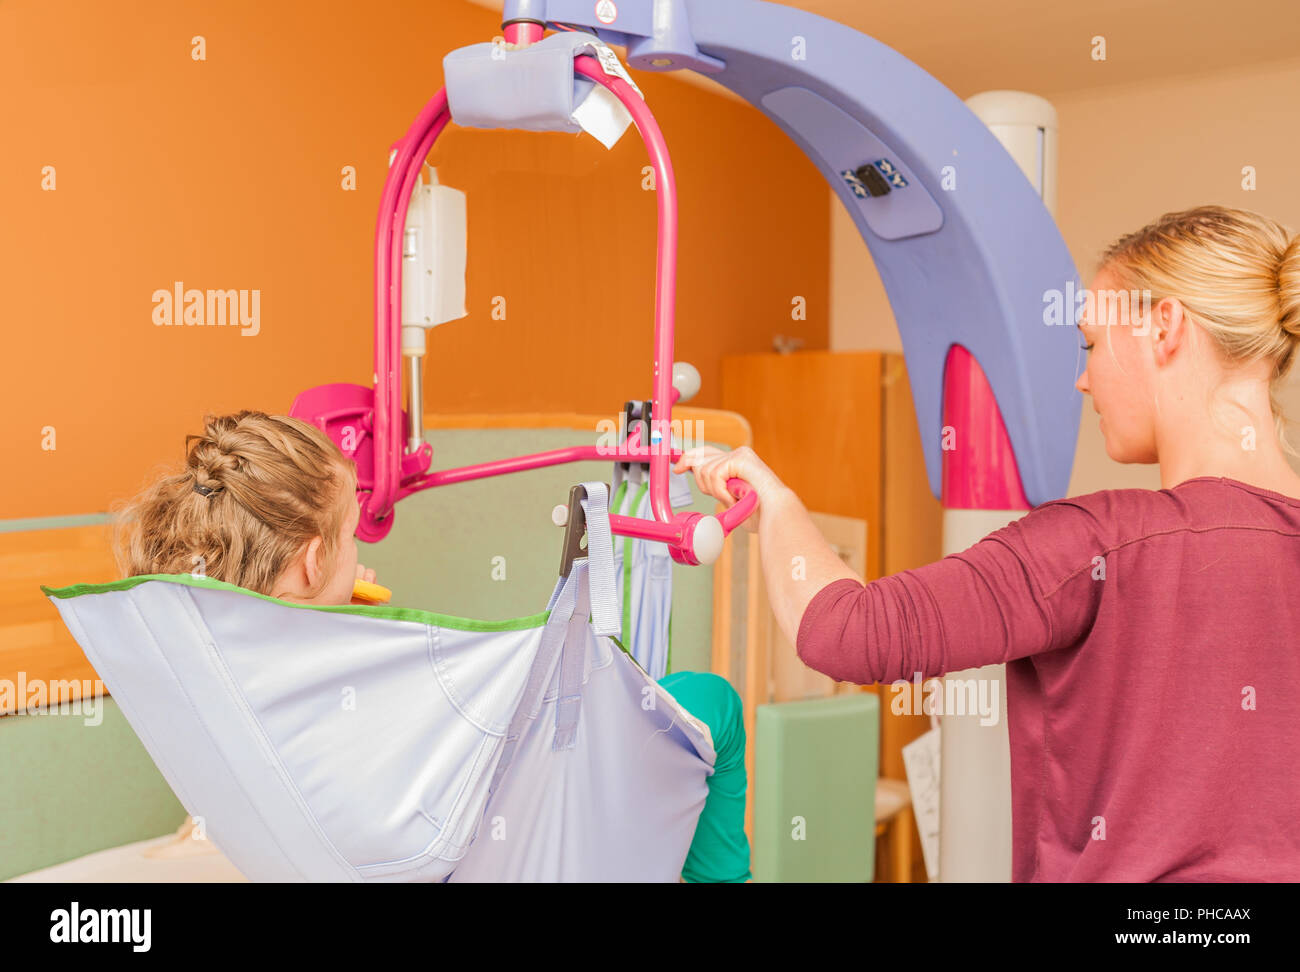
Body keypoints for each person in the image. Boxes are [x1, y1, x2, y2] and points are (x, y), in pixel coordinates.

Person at [676, 205, 1300, 882]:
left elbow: (844, 631)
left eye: (1090, 344)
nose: (1083, 379)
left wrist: (775, 501)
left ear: (1165, 328)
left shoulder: (1099, 543)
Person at [115, 411, 750, 882]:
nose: (360, 553)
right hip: (492, 846)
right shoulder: (383, 685)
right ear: (312, 563)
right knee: (710, 701)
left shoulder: (207, 671)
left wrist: (343, 623)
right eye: (349, 535)